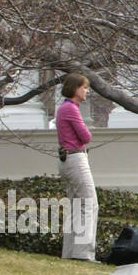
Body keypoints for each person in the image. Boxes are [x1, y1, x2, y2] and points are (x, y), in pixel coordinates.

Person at [55, 73, 98, 261]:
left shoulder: (64, 108)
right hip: (76, 159)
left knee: (76, 205)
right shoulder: (71, 109)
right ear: (75, 89)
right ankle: (83, 253)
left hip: (67, 160)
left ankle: (70, 252)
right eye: (84, 87)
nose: (87, 91)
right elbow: (86, 137)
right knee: (89, 203)